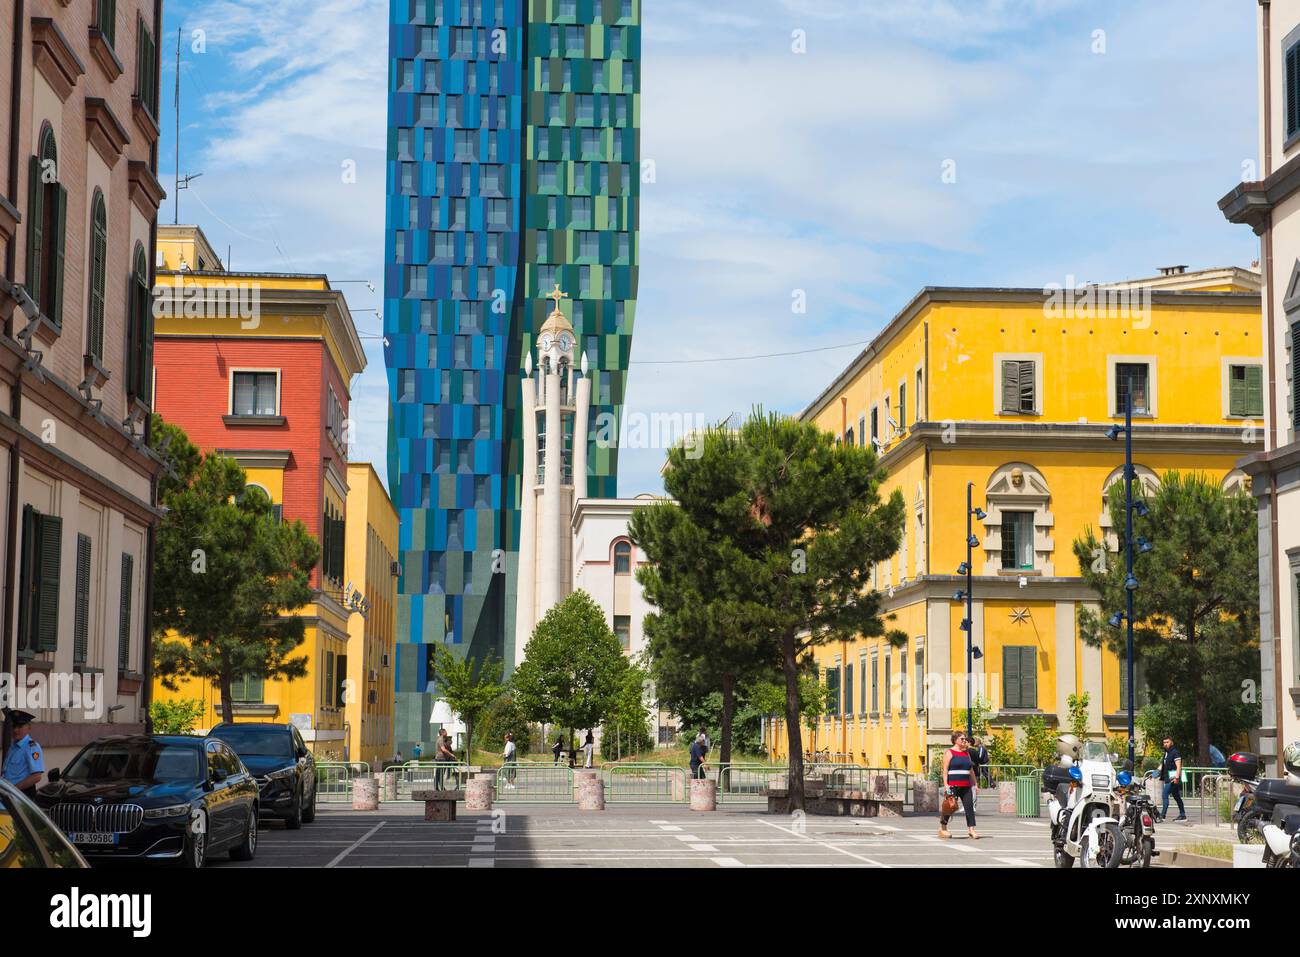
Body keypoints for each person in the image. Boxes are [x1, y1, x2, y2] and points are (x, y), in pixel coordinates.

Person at [939, 731, 978, 840]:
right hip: (953, 785)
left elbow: (971, 770)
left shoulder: (967, 753)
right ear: (955, 740)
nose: (964, 740)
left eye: (965, 739)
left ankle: (971, 829)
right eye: (962, 739)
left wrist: (975, 784)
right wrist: (946, 785)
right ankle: (943, 828)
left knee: (969, 807)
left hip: (966, 785)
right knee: (949, 807)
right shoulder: (949, 752)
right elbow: (945, 770)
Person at [2, 710, 45, 800]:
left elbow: (36, 776)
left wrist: (13, 790)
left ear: (29, 727)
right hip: (8, 795)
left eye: (20, 726)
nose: (15, 730)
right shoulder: (13, 746)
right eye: (14, 726)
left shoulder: (31, 747)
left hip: (21, 796)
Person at [1158, 735, 1187, 822]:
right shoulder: (1166, 753)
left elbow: (1179, 766)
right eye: (1164, 742)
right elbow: (1163, 765)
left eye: (1167, 742)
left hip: (1173, 778)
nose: (1165, 744)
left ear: (1171, 742)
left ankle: (1162, 816)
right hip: (1168, 777)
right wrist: (1155, 773)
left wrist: (1177, 777)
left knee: (1164, 795)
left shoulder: (1175, 752)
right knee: (1177, 796)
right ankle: (1182, 815)